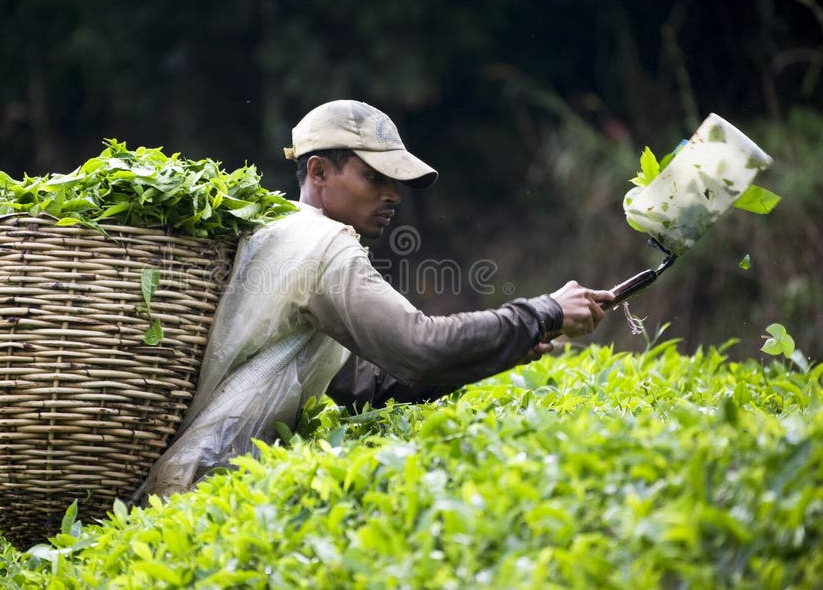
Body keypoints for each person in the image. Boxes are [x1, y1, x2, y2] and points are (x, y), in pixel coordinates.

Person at [133, 100, 612, 501]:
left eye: (395, 181)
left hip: (196, 484)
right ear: (318, 171)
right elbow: (417, 347)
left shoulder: (279, 234)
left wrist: (506, 346)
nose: (394, 196)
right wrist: (542, 311)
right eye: (373, 178)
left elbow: (375, 385)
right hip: (207, 485)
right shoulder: (321, 245)